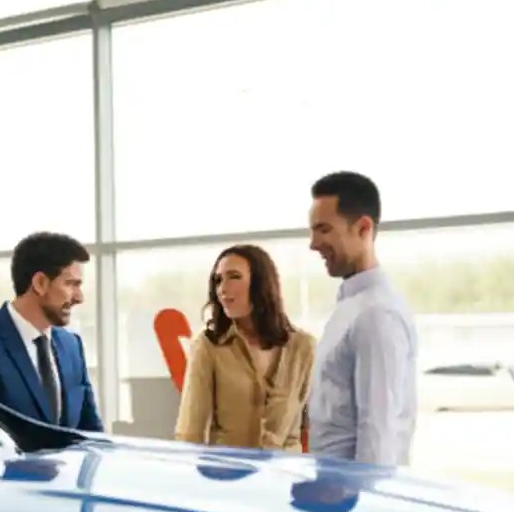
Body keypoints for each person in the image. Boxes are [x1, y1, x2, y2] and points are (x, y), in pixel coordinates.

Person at [306, 171, 417, 466]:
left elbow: (378, 434)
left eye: (324, 229)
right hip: (334, 490)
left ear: (363, 229)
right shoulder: (351, 305)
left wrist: (365, 508)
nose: (313, 243)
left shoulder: (376, 315)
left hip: (354, 500)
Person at [0, 231, 103, 432]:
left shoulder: (72, 346)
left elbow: (91, 431)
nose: (79, 298)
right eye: (71, 284)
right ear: (40, 283)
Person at [173, 244, 316, 450]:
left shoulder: (303, 348)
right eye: (218, 280)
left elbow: (312, 426)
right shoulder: (208, 346)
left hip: (285, 476)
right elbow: (190, 432)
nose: (223, 288)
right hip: (229, 476)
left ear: (261, 284)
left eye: (234, 277)